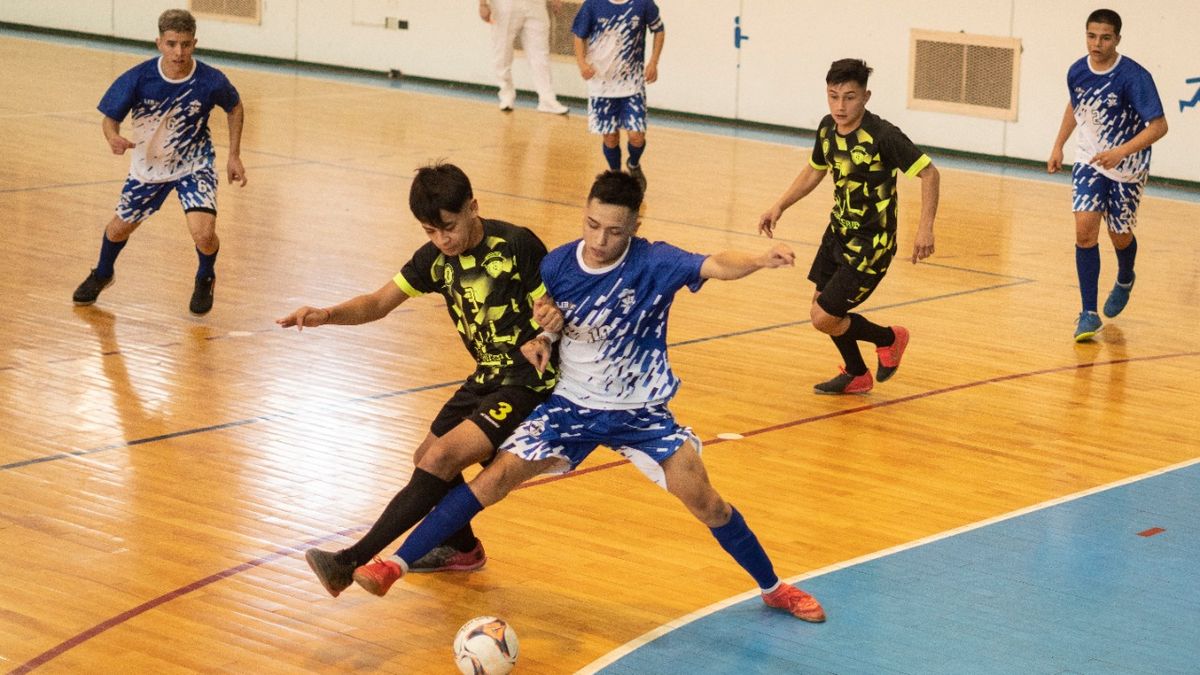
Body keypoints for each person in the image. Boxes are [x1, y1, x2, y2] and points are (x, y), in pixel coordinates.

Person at [350, 170, 827, 623]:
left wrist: (759, 259)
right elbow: (541, 328)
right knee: (492, 481)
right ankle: (395, 565)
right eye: (592, 225)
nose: (600, 241)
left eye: (614, 231)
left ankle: (774, 587)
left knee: (707, 503)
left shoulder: (655, 261)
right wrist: (539, 340)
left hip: (640, 413)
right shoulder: (557, 264)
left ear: (636, 225)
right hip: (569, 408)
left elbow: (716, 263)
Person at [278, 163, 561, 597]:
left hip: (529, 381)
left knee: (441, 458)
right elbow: (377, 303)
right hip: (486, 377)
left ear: (473, 207)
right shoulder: (434, 259)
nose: (441, 240)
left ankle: (350, 560)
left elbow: (555, 309)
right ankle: (463, 550)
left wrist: (544, 330)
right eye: (430, 231)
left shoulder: (517, 245)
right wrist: (327, 315)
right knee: (426, 456)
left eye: (448, 227)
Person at [758, 58, 939, 395]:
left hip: (873, 244)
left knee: (824, 316)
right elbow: (815, 170)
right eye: (833, 96)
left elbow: (929, 173)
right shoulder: (827, 128)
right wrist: (779, 205)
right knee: (821, 305)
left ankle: (890, 338)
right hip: (838, 233)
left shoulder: (883, 136)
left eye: (850, 97)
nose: (840, 106)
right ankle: (857, 374)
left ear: (866, 97)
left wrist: (925, 228)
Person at [71, 8, 246, 315]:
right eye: (172, 44)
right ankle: (102, 273)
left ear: (195, 42)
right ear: (159, 43)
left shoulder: (210, 79)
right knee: (117, 230)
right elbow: (110, 120)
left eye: (186, 44)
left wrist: (233, 155)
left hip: (194, 165)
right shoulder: (139, 78)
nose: (179, 52)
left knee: (204, 234)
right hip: (148, 168)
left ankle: (205, 276)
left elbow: (235, 107)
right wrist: (112, 137)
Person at [1047, 8, 1167, 342]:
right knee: (1085, 230)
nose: (1097, 43)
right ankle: (1088, 314)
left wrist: (1121, 152)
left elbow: (1159, 126)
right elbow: (1076, 106)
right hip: (1089, 161)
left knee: (1119, 234)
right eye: (1091, 36)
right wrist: (1058, 145)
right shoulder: (1077, 71)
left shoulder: (1134, 76)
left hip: (1127, 167)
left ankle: (1125, 275)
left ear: (1117, 39)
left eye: (1105, 37)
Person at [572, 0, 665, 192]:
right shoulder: (593, 4)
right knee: (611, 137)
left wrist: (653, 62)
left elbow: (659, 30)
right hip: (602, 86)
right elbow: (579, 35)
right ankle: (615, 176)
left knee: (636, 135)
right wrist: (581, 63)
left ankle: (633, 164)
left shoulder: (643, 3)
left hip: (632, 84)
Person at [479, 0, 570, 114]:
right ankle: (506, 94)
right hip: (505, 4)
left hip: (535, 4)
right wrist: (483, 4)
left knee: (540, 54)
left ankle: (547, 99)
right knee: (502, 51)